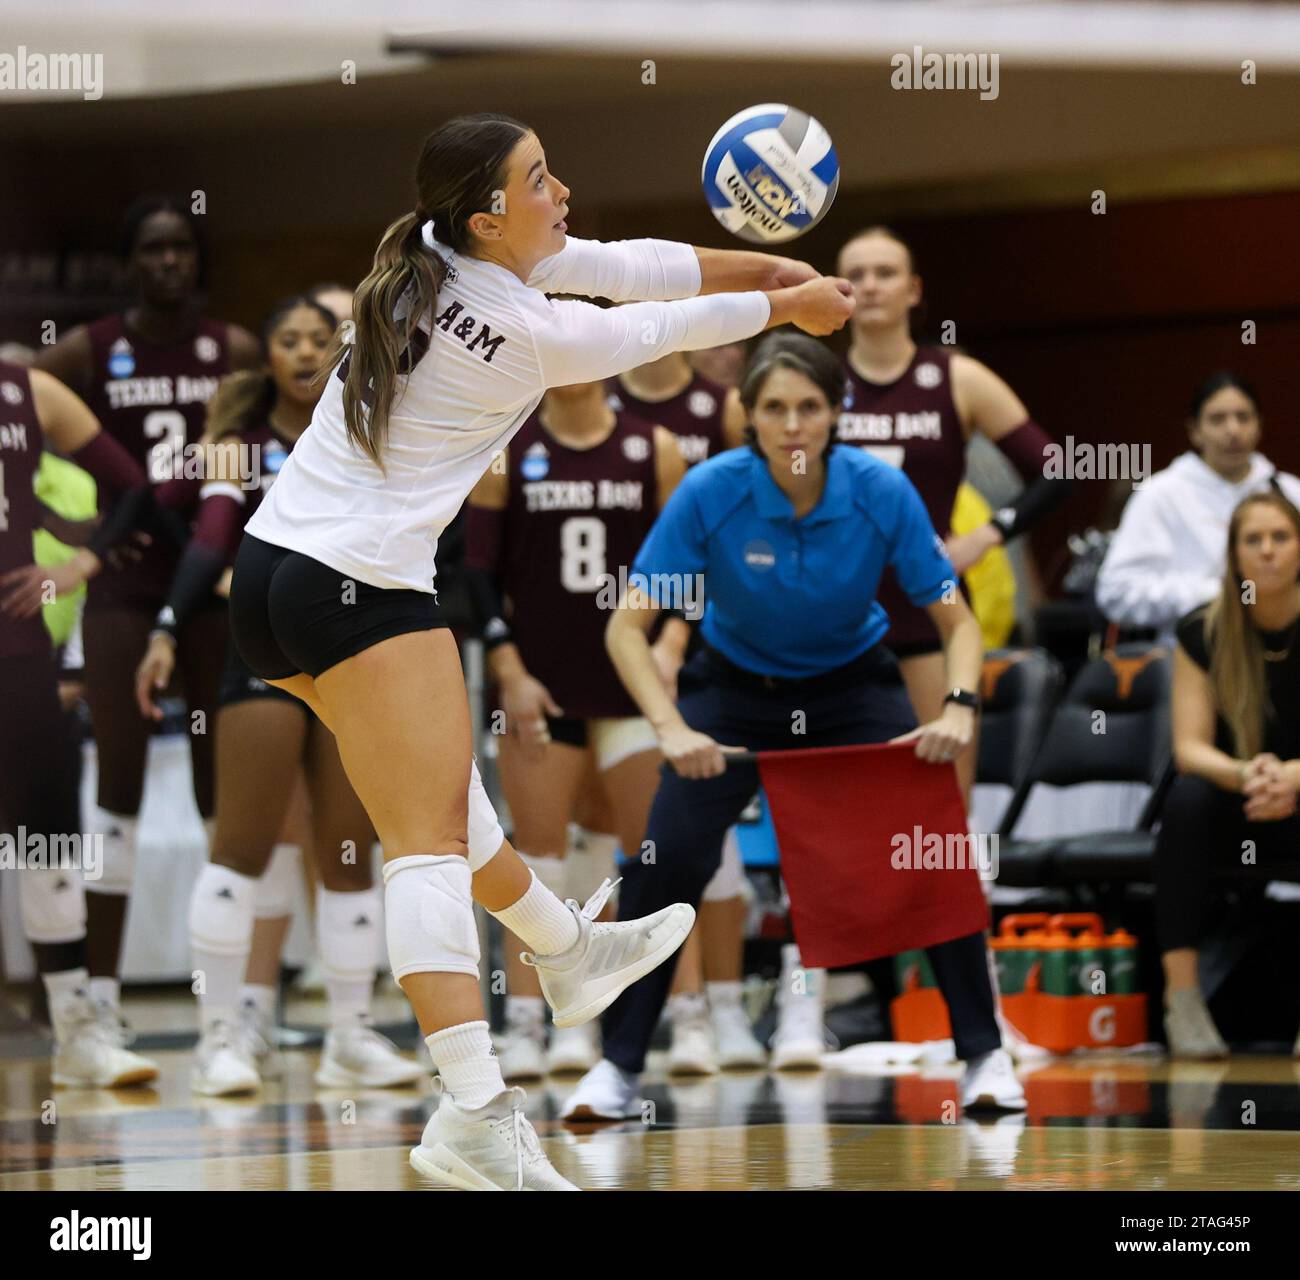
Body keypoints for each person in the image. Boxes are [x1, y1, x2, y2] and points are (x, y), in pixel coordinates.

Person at [227, 112, 852, 1190]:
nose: (561, 192)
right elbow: (656, 326)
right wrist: (782, 307)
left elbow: (632, 266)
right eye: (539, 179)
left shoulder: (431, 254)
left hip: (270, 574)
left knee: (448, 807)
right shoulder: (526, 329)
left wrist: (772, 269)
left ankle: (568, 949)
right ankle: (474, 1110)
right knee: (425, 845)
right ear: (488, 216)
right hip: (360, 584)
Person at [561, 333, 1027, 1122]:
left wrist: (957, 704)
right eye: (774, 407)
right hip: (733, 688)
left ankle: (983, 1056)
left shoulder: (880, 490)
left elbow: (957, 621)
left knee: (936, 847)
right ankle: (618, 1068)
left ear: (836, 412)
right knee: (666, 856)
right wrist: (670, 729)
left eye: (809, 407)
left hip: (853, 686)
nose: (792, 425)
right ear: (748, 413)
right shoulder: (711, 491)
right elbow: (625, 630)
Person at [134, 296, 425, 1095]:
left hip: (348, 650)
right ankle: (220, 1038)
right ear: (265, 358)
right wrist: (168, 623)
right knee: (242, 847)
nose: (303, 352)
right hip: (261, 650)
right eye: (287, 340)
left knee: (347, 851)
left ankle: (350, 1036)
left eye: (317, 340)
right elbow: (211, 537)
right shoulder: (241, 446)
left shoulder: (366, 434)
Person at [33, 195, 260, 1038]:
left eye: (181, 248)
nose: (168, 261)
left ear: (198, 259)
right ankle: (99, 1000)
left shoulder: (233, 348)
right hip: (124, 584)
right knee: (118, 786)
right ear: (129, 262)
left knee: (217, 787)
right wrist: (64, 528)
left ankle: (229, 1006)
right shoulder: (88, 349)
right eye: (153, 248)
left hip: (212, 581)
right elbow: (21, 415)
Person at [466, 374, 686, 1079]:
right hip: (543, 683)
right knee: (537, 860)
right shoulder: (507, 449)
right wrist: (509, 670)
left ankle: (654, 1019)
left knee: (644, 854)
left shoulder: (654, 447)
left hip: (629, 685)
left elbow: (687, 560)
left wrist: (670, 646)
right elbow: (476, 574)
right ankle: (529, 1025)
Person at [832, 227, 1071, 799]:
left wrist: (986, 536)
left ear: (914, 290)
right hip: (834, 615)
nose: (871, 286)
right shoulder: (817, 382)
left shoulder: (956, 378)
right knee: (844, 800)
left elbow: (1058, 469)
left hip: (931, 615)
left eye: (885, 273)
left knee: (942, 801)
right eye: (856, 275)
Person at [0, 357, 170, 1087]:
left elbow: (135, 487)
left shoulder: (27, 389)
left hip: (16, 649)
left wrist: (80, 564)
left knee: (45, 838)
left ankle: (75, 1034)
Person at [610, 350, 765, 1072]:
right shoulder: (590, 398)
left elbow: (718, 538)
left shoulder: (721, 410)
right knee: (655, 844)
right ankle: (675, 1016)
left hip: (714, 643)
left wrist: (676, 639)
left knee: (716, 840)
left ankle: (726, 1008)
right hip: (622, 644)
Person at [1157, 491, 1300, 1059]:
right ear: (1234, 555)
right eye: (1252, 540)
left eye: (1281, 537)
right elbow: (1189, 749)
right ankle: (1183, 998)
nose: (1267, 551)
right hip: (1238, 803)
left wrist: (1292, 778)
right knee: (1185, 801)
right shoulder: (1203, 630)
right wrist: (1248, 776)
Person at [1097, 372, 1300, 644]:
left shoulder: (1289, 491)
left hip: (1285, 646)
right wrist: (1215, 593)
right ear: (1195, 431)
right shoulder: (1159, 495)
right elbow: (1116, 592)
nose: (1233, 430)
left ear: (1259, 425)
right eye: (1217, 419)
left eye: (1243, 417)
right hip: (1190, 651)